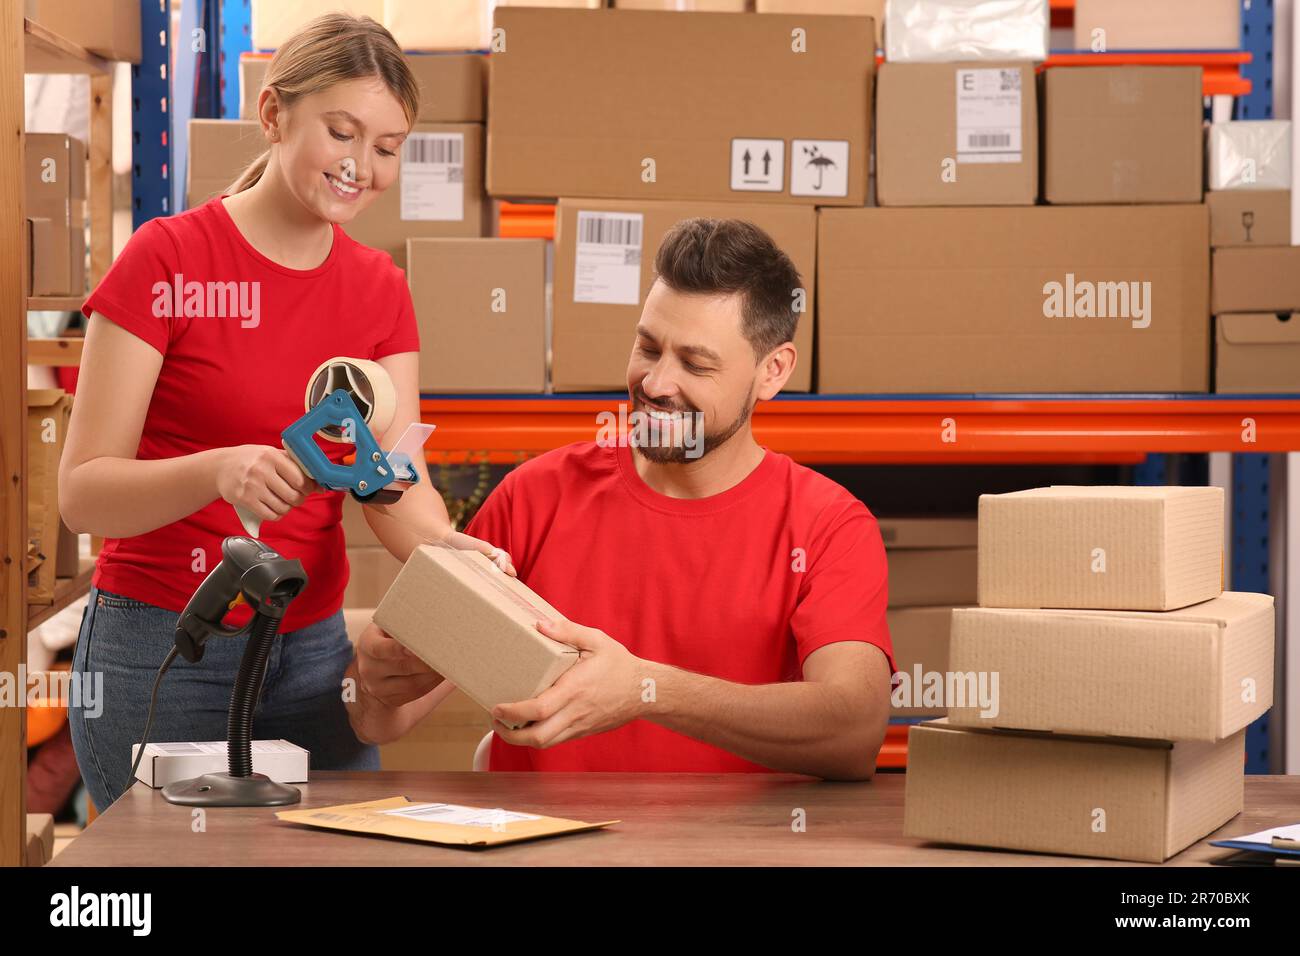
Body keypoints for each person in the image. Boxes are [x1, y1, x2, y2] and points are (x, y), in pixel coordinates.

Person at [62, 13, 508, 813]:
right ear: (273, 115)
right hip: (163, 644)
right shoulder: (166, 259)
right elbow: (83, 492)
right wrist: (217, 470)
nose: (362, 167)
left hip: (308, 650)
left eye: (386, 148)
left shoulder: (380, 290)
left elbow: (392, 485)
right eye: (342, 133)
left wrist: (455, 556)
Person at [349, 218, 896, 779]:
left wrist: (648, 691)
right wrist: (375, 683)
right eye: (648, 347)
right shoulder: (539, 496)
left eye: (695, 363)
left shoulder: (827, 526)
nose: (656, 383)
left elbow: (853, 731)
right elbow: (384, 724)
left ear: (772, 371)